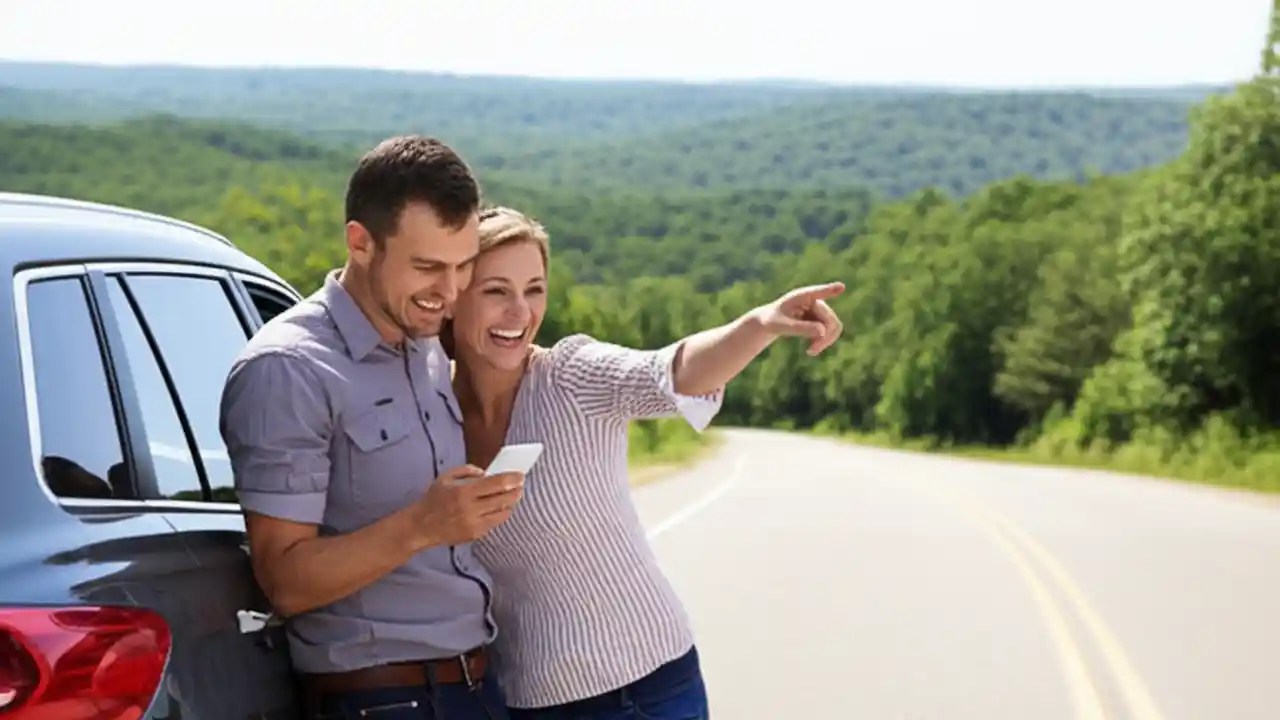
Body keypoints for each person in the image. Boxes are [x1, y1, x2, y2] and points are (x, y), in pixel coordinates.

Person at [445, 206, 845, 719]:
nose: (520, 313)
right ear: (456, 296)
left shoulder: (570, 378)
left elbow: (673, 371)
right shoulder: (431, 415)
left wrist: (758, 325)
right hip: (528, 701)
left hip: (644, 689)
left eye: (535, 290)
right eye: (497, 291)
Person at [219, 136, 525, 720]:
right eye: (428, 267)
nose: (450, 290)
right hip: (384, 699)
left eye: (463, 267)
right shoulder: (290, 369)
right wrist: (422, 525)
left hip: (476, 686)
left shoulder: (424, 340)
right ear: (360, 243)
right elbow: (284, 580)